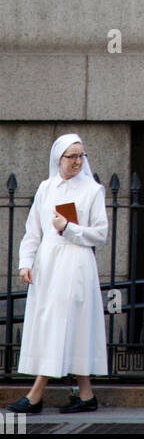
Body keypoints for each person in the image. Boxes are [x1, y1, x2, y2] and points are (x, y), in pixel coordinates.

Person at [5, 133, 108, 415]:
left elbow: (100, 234)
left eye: (81, 155)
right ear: (58, 158)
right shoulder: (46, 188)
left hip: (76, 265)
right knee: (64, 327)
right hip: (47, 265)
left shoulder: (92, 190)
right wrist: (25, 263)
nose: (77, 161)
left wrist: (70, 228)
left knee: (62, 325)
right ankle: (86, 395)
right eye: (71, 156)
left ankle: (35, 395)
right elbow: (32, 230)